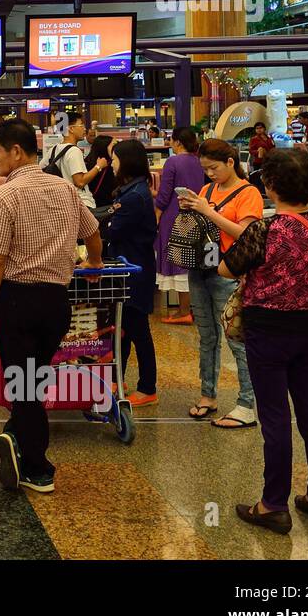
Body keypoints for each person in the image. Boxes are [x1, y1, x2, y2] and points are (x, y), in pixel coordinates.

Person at [0, 119, 103, 494]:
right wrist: (94, 265)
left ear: (16, 151)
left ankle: (38, 467)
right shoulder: (65, 189)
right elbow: (93, 234)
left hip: (18, 299)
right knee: (35, 375)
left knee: (24, 385)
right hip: (56, 303)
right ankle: (17, 432)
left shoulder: (5, 197)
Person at [219, 148, 308, 534]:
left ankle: (272, 504)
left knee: (275, 418)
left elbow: (225, 267)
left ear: (268, 185)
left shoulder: (264, 230)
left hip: (267, 329)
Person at [180, 138, 263, 429]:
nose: (210, 174)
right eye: (205, 169)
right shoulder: (207, 190)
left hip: (229, 271)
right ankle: (208, 395)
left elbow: (245, 234)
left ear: (230, 162)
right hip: (201, 267)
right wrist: (191, 208)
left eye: (214, 168)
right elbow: (204, 225)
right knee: (207, 336)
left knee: (236, 339)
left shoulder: (248, 192)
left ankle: (247, 403)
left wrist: (207, 211)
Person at [104, 139, 158, 405]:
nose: (111, 164)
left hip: (134, 271)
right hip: (128, 266)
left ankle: (148, 388)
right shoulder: (132, 190)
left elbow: (113, 229)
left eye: (114, 159)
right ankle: (117, 379)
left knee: (137, 329)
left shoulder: (135, 196)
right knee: (122, 328)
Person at [155, 126, 205, 325]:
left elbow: (165, 193)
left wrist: (157, 213)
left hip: (174, 216)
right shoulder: (199, 161)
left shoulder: (172, 161)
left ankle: (183, 311)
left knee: (176, 258)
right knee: (189, 260)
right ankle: (190, 308)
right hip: (195, 213)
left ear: (178, 142)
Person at [52, 113, 96, 208]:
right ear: (71, 129)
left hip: (64, 201)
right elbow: (80, 182)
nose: (84, 129)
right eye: (81, 125)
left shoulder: (54, 149)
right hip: (81, 203)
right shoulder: (74, 151)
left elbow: (43, 166)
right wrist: (99, 166)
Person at [84, 135, 116, 209]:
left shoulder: (87, 162)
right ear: (104, 148)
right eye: (113, 145)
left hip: (90, 205)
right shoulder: (108, 166)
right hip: (105, 207)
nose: (116, 148)